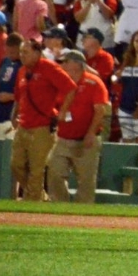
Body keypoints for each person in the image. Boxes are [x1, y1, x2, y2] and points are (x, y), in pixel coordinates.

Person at [10, 38, 76, 201]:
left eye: (26, 52)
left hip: (42, 127)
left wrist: (63, 112)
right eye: (21, 52)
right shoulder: (21, 71)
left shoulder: (49, 68)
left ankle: (32, 204)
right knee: (16, 165)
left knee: (36, 169)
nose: (22, 55)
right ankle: (37, 194)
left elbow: (70, 88)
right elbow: (19, 96)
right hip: (23, 125)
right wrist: (13, 114)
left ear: (37, 53)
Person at [46, 50, 109, 204]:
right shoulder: (60, 83)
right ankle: (60, 207)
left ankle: (82, 215)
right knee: (54, 172)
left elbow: (100, 110)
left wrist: (90, 133)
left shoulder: (93, 83)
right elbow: (51, 105)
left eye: (66, 62)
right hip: (63, 138)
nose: (63, 65)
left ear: (77, 64)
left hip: (86, 140)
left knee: (86, 181)